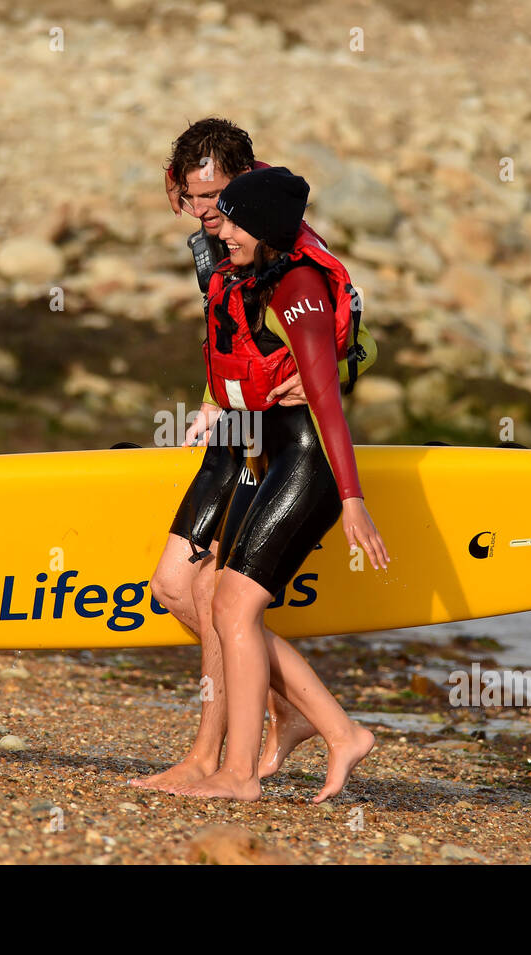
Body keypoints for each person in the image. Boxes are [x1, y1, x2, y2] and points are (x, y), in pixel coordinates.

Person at [134, 120, 376, 794]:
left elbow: (346, 335)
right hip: (235, 425)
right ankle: (291, 715)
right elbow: (226, 331)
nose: (207, 214)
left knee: (219, 597)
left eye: (216, 198)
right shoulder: (213, 240)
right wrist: (213, 398)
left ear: (239, 186)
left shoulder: (281, 234)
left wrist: (343, 367)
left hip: (272, 434)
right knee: (178, 589)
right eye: (193, 199)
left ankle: (212, 759)